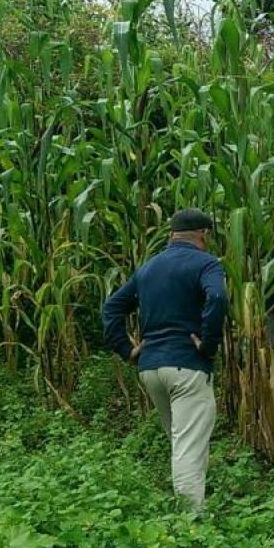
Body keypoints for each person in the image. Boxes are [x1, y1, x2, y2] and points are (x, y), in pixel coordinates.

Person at [102, 208, 227, 511]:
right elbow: (218, 298)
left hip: (151, 369)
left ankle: (189, 510)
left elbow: (111, 308)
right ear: (204, 235)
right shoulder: (206, 263)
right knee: (187, 446)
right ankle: (191, 525)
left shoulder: (148, 268)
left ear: (171, 235)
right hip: (186, 367)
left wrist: (126, 349)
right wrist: (208, 345)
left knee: (183, 443)